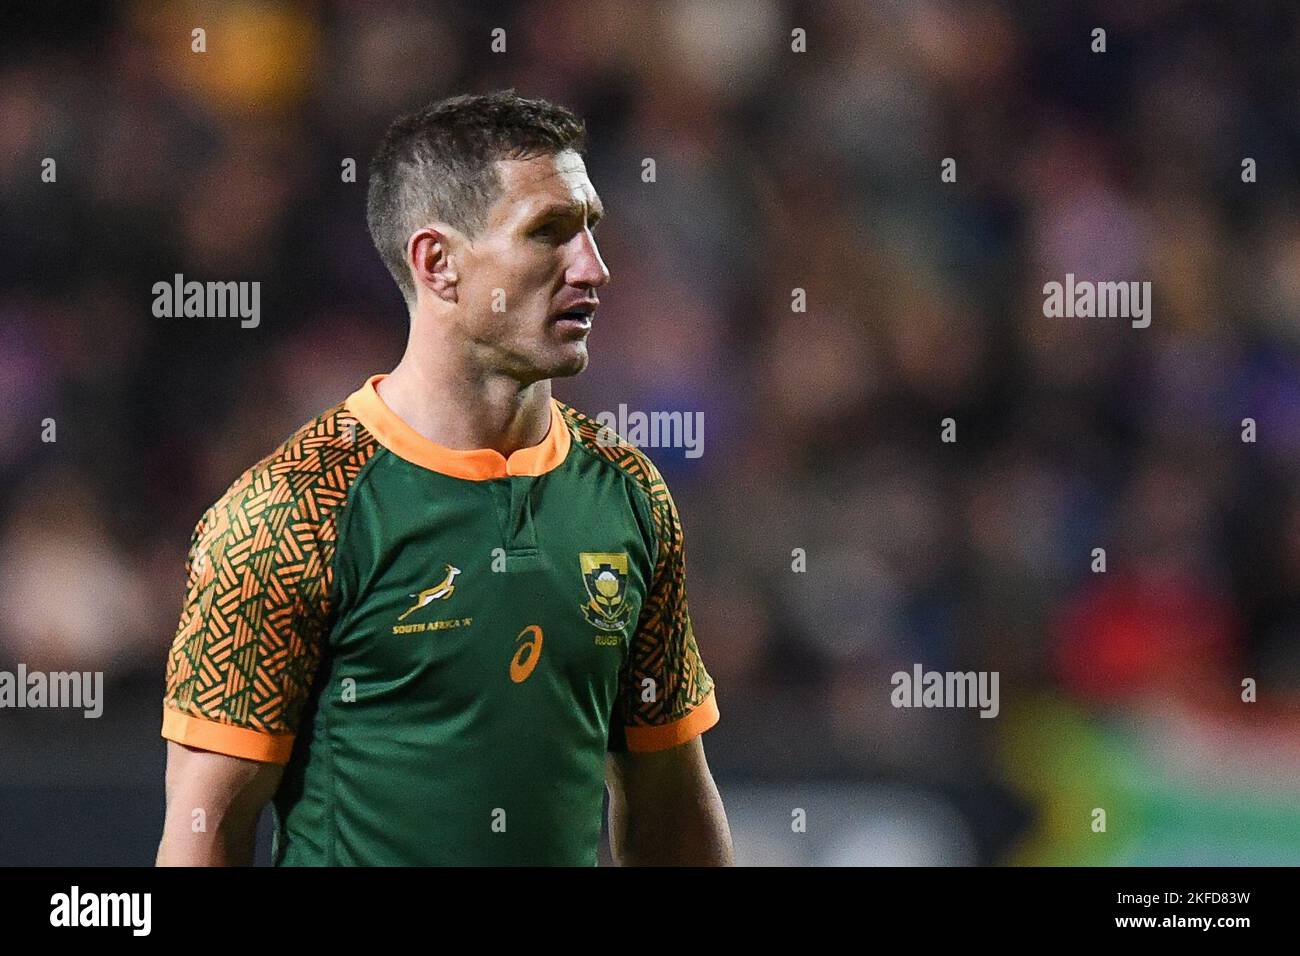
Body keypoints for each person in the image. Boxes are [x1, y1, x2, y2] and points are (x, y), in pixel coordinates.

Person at [155, 90, 731, 866]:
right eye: (549, 234)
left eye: (591, 229)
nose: (594, 268)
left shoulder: (628, 494)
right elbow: (205, 835)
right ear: (439, 264)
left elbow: (669, 807)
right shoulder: (290, 516)